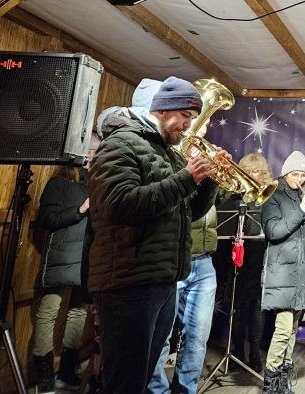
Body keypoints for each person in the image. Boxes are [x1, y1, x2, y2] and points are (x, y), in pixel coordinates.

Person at [87, 77, 221, 394]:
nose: (189, 127)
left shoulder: (170, 154)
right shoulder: (120, 144)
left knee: (141, 378)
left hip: (162, 279)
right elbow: (120, 205)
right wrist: (187, 179)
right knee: (124, 382)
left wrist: (209, 181)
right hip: (128, 281)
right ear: (162, 110)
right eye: (186, 116)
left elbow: (187, 212)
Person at [148, 118, 225, 394]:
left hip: (204, 259)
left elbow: (208, 207)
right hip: (174, 257)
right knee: (161, 336)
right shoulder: (168, 159)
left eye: (204, 128)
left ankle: (186, 389)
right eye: (197, 128)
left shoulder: (198, 161)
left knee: (197, 337)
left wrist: (215, 177)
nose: (202, 133)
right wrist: (191, 173)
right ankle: (157, 390)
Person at [29, 134, 99, 392]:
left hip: (85, 257)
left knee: (79, 313)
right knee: (48, 314)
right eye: (92, 149)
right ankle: (44, 380)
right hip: (61, 258)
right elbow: (47, 218)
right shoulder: (60, 182)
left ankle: (67, 372)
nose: (95, 154)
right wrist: (79, 210)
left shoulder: (95, 182)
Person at [260, 151, 305, 394]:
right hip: (283, 272)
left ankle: (282, 381)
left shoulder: (303, 196)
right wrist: (301, 210)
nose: (299, 178)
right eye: (295, 174)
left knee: (293, 328)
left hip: (301, 271)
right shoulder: (272, 195)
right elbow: (274, 231)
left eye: (303, 175)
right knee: (284, 327)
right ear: (286, 173)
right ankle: (271, 379)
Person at [217, 152, 273, 373]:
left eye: (259, 171)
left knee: (257, 308)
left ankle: (255, 354)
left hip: (260, 258)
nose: (254, 175)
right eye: (250, 172)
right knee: (236, 308)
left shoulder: (269, 197)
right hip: (236, 261)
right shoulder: (233, 198)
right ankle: (237, 351)